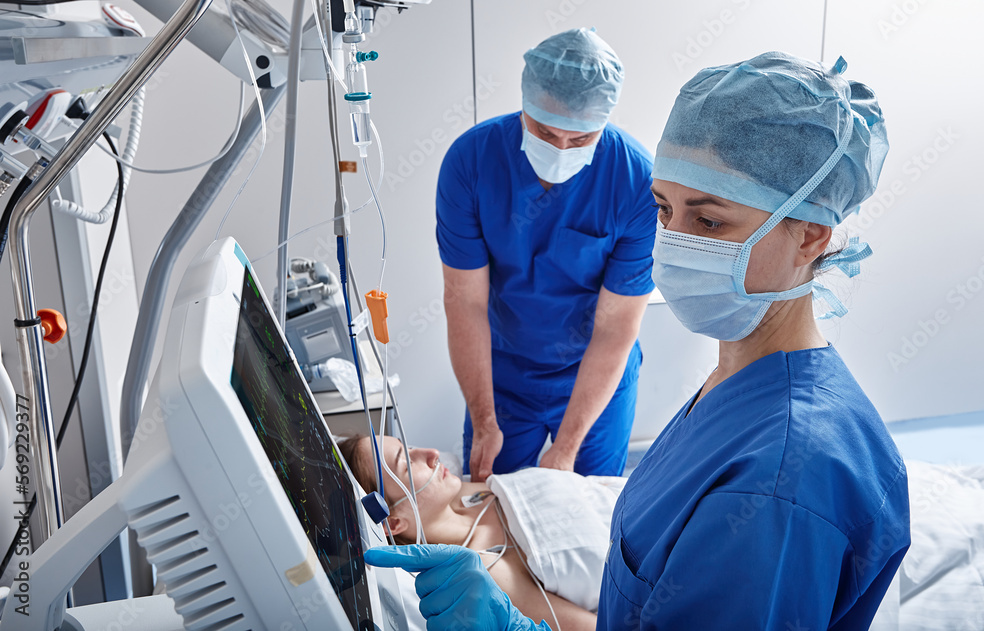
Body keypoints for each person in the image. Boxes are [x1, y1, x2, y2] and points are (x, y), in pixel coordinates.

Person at [366, 52, 911, 630]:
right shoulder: (738, 383)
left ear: (811, 237)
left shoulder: (779, 480)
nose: (671, 243)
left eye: (709, 222)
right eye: (663, 210)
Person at [437, 28, 655, 481]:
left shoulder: (636, 183)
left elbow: (616, 326)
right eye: (544, 132)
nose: (559, 150)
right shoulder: (471, 162)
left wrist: (567, 446)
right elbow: (466, 303)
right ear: (525, 107)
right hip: (502, 375)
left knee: (591, 505)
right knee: (490, 498)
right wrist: (484, 419)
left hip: (594, 374)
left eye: (579, 140)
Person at [339, 435, 598, 630]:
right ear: (393, 522)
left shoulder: (464, 491)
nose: (432, 453)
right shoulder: (485, 571)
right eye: (406, 462)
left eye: (410, 447)